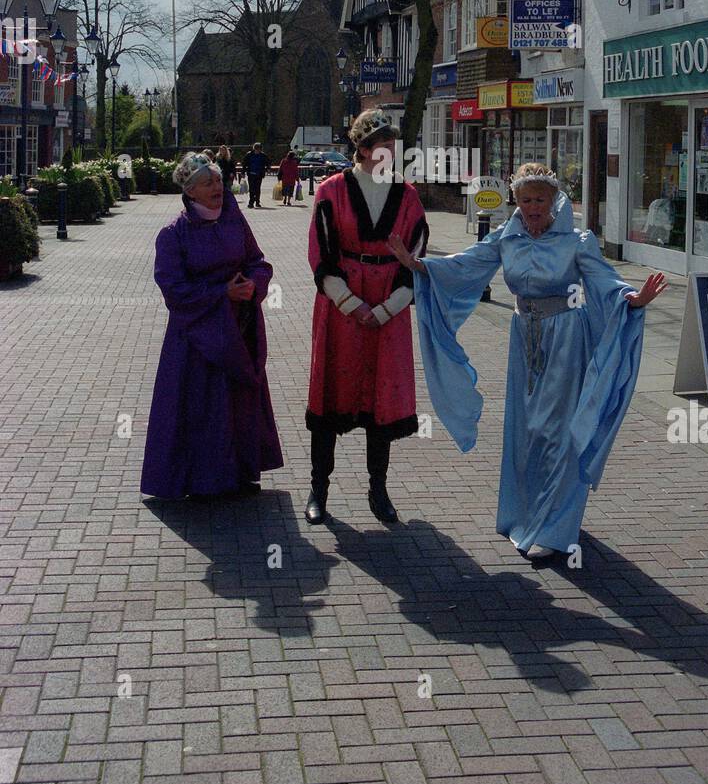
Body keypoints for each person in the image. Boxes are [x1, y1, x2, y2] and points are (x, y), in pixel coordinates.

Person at [389, 163, 667, 561]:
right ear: (515, 201)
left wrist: (631, 300)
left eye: (539, 199)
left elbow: (604, 281)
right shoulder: (508, 237)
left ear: (553, 200)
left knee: (559, 431)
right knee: (526, 429)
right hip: (524, 339)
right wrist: (419, 266)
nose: (532, 206)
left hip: (567, 337)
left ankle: (553, 530)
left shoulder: (577, 240)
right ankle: (524, 513)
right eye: (525, 199)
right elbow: (465, 264)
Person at [305, 109, 428, 525]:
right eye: (382, 147)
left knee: (382, 400)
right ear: (361, 149)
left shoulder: (408, 196)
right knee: (329, 396)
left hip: (387, 310)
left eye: (394, 147)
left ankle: (379, 490)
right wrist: (350, 302)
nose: (390, 154)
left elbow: (416, 261)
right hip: (343, 308)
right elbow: (320, 256)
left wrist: (388, 307)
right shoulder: (330, 192)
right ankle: (318, 489)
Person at [141, 152, 283, 499]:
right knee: (203, 405)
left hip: (240, 328)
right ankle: (203, 479)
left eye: (218, 180)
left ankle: (239, 473)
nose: (217, 187)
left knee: (237, 403)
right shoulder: (173, 235)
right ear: (190, 192)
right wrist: (222, 293)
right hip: (197, 337)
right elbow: (174, 291)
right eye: (208, 183)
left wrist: (254, 284)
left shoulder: (235, 221)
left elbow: (258, 261)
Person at [245, 142, 269, 209]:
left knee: (257, 188)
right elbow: (244, 163)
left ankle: (257, 202)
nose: (258, 151)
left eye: (259, 150)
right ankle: (251, 202)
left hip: (259, 174)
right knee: (251, 189)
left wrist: (267, 169)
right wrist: (243, 171)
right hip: (251, 174)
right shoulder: (249, 155)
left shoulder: (263, 155)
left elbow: (268, 162)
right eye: (257, 149)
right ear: (254, 149)